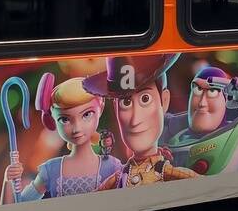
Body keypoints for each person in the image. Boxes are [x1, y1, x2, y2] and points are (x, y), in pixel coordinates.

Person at [82, 54, 200, 188]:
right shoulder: (119, 177)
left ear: (164, 101)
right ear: (116, 109)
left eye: (145, 99)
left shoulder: (170, 172)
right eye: (126, 102)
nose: (135, 119)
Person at [0, 77, 122, 203]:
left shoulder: (113, 166)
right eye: (65, 119)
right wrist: (8, 180)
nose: (77, 128)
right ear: (53, 119)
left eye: (87, 114)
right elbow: (18, 205)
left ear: (100, 109)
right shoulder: (51, 170)